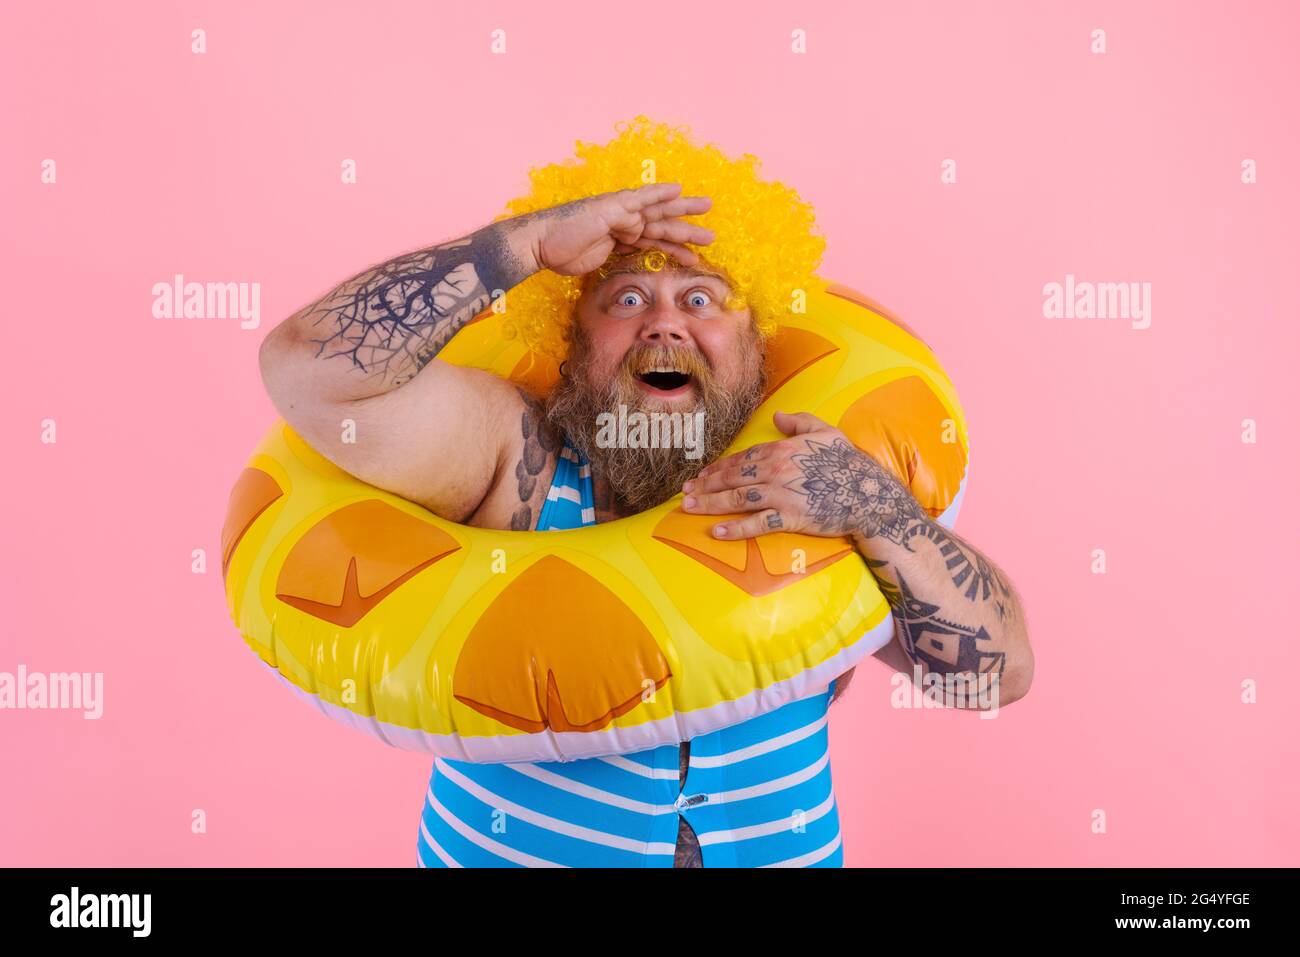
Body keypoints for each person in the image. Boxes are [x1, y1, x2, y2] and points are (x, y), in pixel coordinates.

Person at [257, 117, 1033, 867]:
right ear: (570, 339)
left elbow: (994, 677)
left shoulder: (813, 475)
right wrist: (520, 246)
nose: (664, 325)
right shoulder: (513, 460)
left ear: (756, 343)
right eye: (625, 299)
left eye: (701, 299)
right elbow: (307, 372)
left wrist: (881, 511)